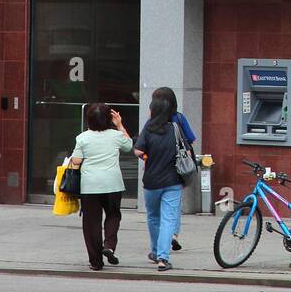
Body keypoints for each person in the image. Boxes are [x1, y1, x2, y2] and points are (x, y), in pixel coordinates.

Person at [69, 104, 133, 271]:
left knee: (91, 224)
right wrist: (120, 125)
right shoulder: (116, 135)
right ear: (109, 119)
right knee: (113, 215)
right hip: (113, 184)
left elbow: (76, 161)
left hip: (90, 186)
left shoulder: (82, 138)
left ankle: (96, 261)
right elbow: (128, 145)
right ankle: (109, 246)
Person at [134, 90, 185, 273]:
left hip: (151, 182)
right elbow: (185, 147)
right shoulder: (175, 128)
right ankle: (163, 258)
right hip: (172, 181)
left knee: (153, 217)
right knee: (168, 220)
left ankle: (155, 252)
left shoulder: (148, 128)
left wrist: (149, 156)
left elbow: (138, 151)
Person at [153, 87, 196, 253]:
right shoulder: (179, 117)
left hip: (157, 166)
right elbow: (191, 139)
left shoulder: (153, 120)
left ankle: (161, 236)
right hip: (177, 166)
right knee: (174, 203)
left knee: (157, 206)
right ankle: (173, 235)